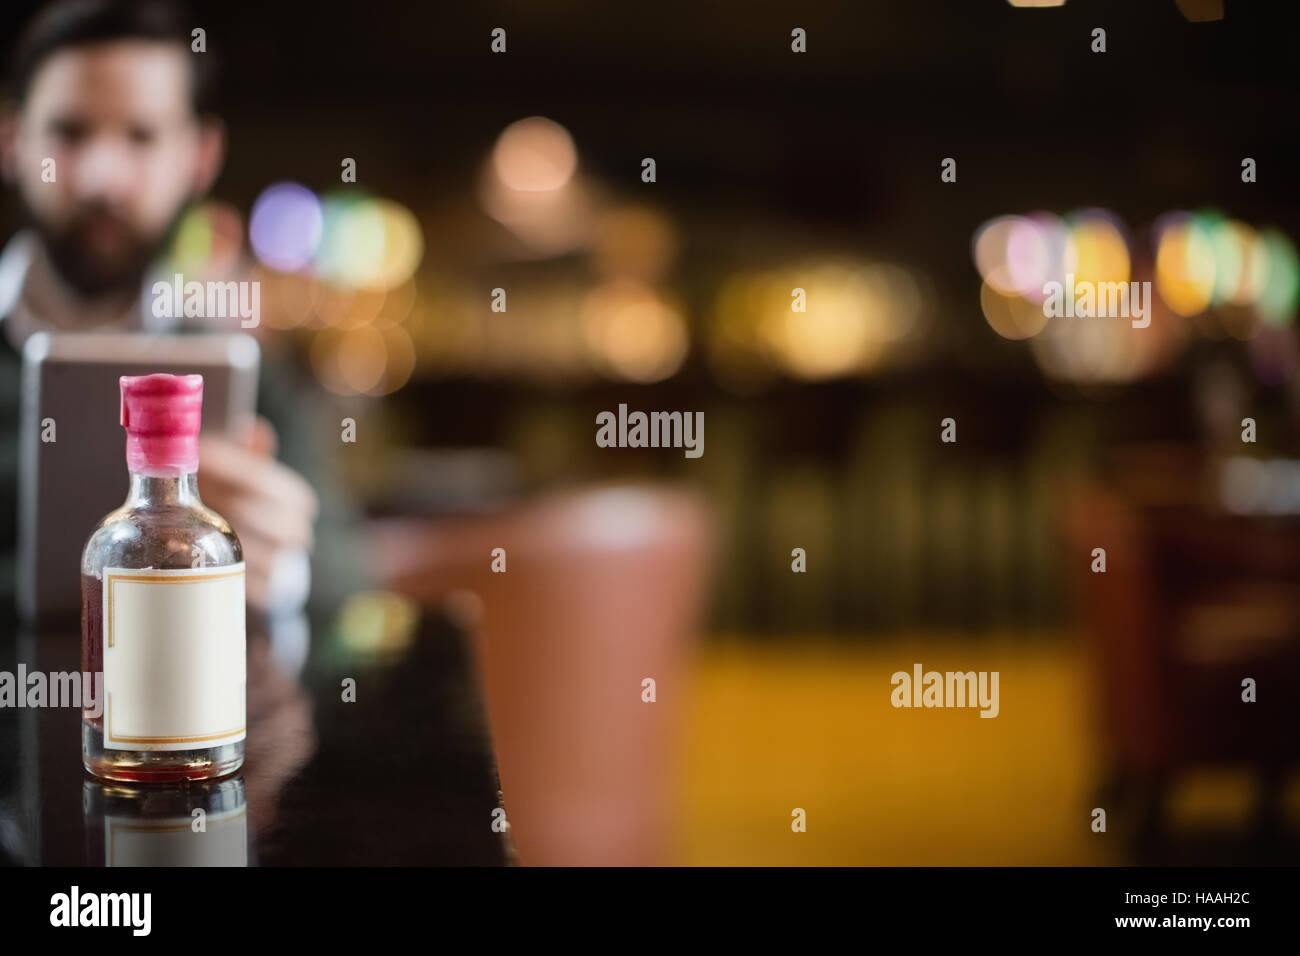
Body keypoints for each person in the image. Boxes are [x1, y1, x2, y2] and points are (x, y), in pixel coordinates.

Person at [0, 0, 368, 616]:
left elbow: (348, 574)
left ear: (200, 157)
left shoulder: (243, 369)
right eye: (69, 133)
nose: (102, 177)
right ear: (11, 140)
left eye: (141, 136)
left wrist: (281, 568)